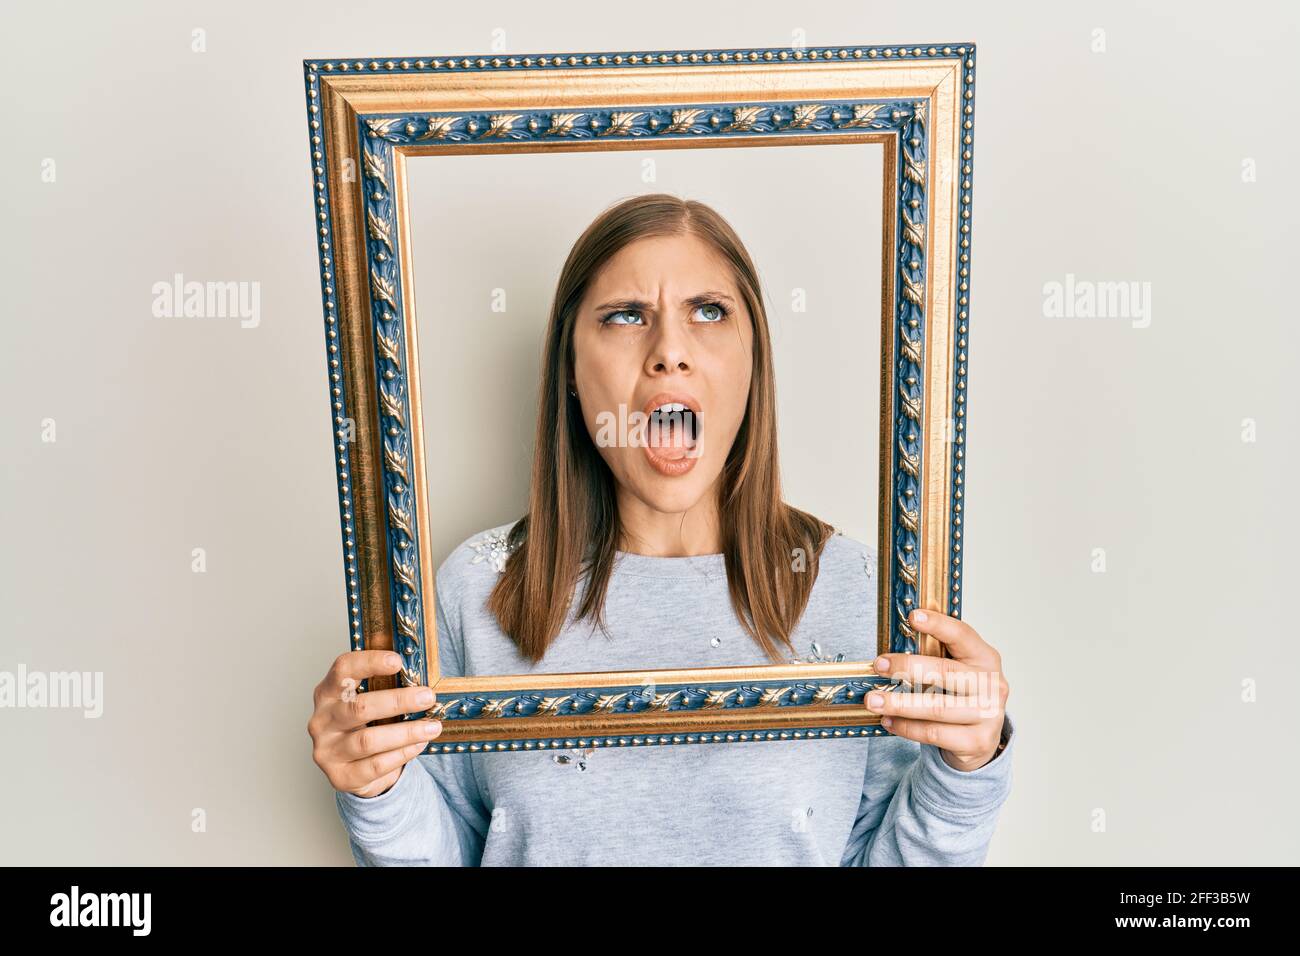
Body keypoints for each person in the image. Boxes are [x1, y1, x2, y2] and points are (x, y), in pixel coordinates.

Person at [307, 193, 1015, 866]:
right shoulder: (477, 587)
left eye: (708, 311)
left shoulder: (858, 589)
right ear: (573, 370)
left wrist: (967, 767)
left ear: (752, 361)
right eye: (624, 315)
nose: (669, 351)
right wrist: (375, 785)